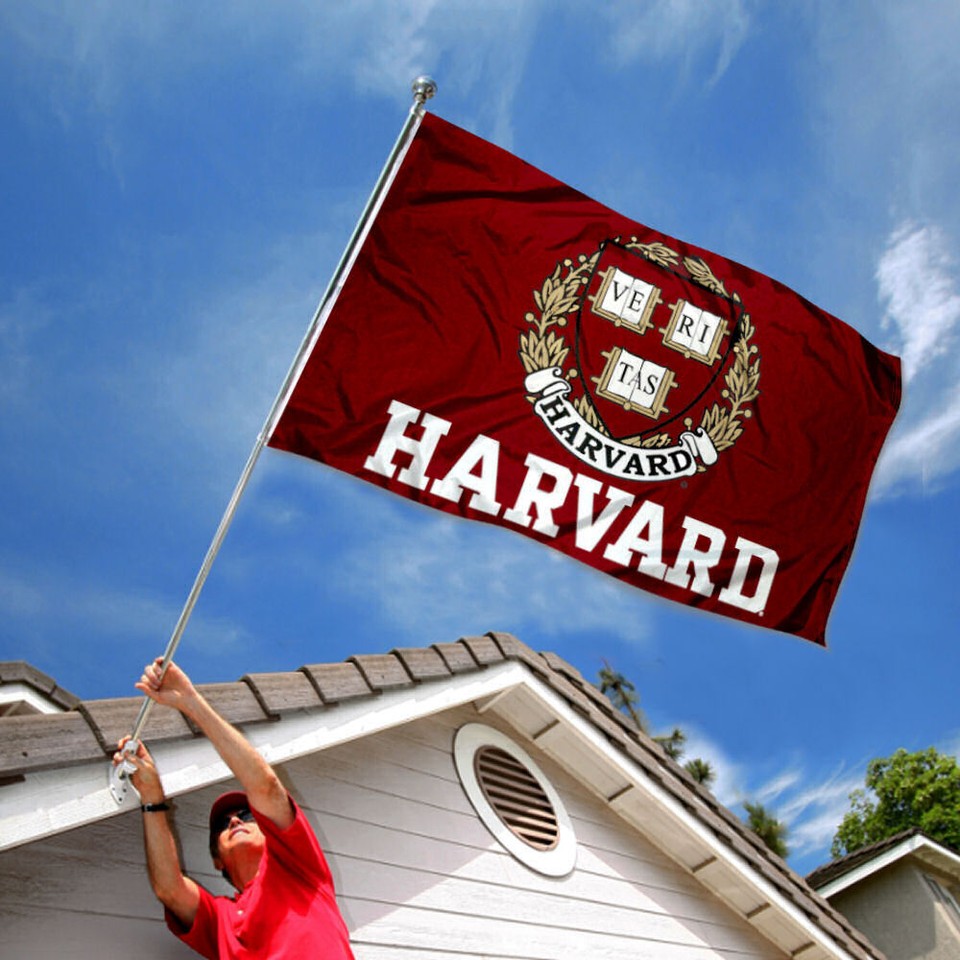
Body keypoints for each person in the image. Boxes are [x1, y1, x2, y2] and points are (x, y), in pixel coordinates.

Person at [113, 657, 355, 960]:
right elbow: (169, 890)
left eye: (246, 815)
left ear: (271, 836)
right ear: (217, 861)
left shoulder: (299, 868)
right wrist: (151, 795)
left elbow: (265, 785)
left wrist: (191, 701)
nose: (233, 822)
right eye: (221, 826)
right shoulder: (220, 918)